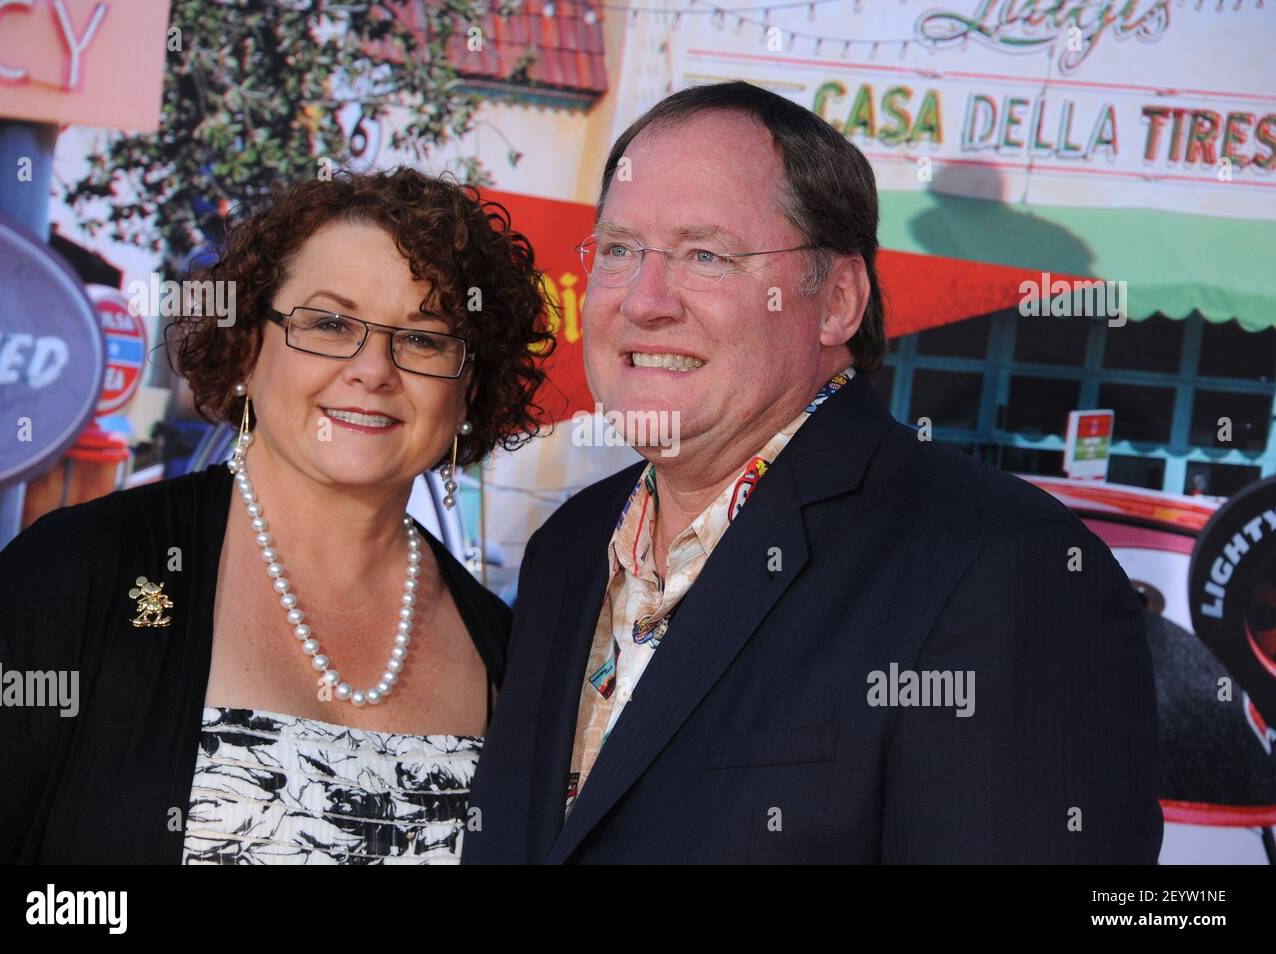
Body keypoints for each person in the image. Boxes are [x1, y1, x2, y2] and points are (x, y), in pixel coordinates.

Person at [463, 81, 1163, 863]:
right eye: (620, 249)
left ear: (836, 301)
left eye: (706, 255)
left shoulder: (1006, 567)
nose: (644, 300)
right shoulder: (567, 549)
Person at [0, 168, 554, 864]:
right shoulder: (75, 576)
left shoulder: (505, 650)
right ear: (249, 348)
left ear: (468, 391)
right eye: (330, 323)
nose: (374, 369)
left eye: (425, 338)